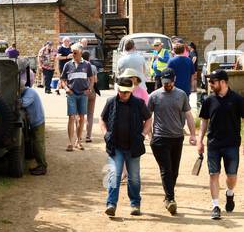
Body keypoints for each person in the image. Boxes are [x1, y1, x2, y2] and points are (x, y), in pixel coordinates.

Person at [147, 67, 198, 214]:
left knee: (174, 171)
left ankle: (168, 195)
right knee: (166, 169)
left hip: (177, 138)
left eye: (169, 82)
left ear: (174, 80)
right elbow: (147, 116)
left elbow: (188, 115)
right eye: (164, 82)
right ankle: (171, 199)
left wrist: (193, 134)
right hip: (160, 139)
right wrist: (150, 135)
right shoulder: (154, 96)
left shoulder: (181, 95)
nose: (167, 85)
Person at [196, 67, 244, 220]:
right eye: (209, 81)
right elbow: (204, 121)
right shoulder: (209, 100)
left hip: (232, 144)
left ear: (223, 82)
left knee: (232, 176)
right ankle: (215, 205)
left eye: (213, 81)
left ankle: (229, 193)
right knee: (213, 174)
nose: (210, 84)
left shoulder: (237, 99)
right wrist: (200, 140)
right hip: (214, 144)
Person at [101, 74, 152, 217]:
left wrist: (143, 135)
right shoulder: (111, 102)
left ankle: (135, 204)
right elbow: (102, 119)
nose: (122, 94)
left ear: (131, 91)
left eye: (126, 92)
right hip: (115, 146)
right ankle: (111, 204)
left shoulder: (139, 103)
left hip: (133, 146)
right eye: (120, 91)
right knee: (113, 175)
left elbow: (148, 119)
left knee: (134, 177)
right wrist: (106, 133)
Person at [60, 42, 92, 150]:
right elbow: (63, 80)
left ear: (80, 53)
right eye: (72, 52)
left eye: (75, 52)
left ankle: (79, 141)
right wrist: (66, 89)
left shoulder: (87, 65)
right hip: (71, 93)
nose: (72, 54)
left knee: (82, 118)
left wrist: (89, 89)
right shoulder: (67, 65)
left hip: (83, 94)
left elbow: (91, 78)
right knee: (72, 117)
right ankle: (70, 142)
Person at [20, 81, 47, 175]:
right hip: (35, 121)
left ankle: (42, 166)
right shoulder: (27, 92)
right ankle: (40, 165)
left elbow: (23, 103)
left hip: (37, 121)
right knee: (35, 143)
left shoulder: (30, 93)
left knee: (38, 144)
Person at [77, 41, 100, 141]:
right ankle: (88, 136)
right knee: (90, 115)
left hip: (81, 91)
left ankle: (79, 135)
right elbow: (95, 80)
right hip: (91, 91)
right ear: (89, 58)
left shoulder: (78, 66)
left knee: (80, 114)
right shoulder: (93, 67)